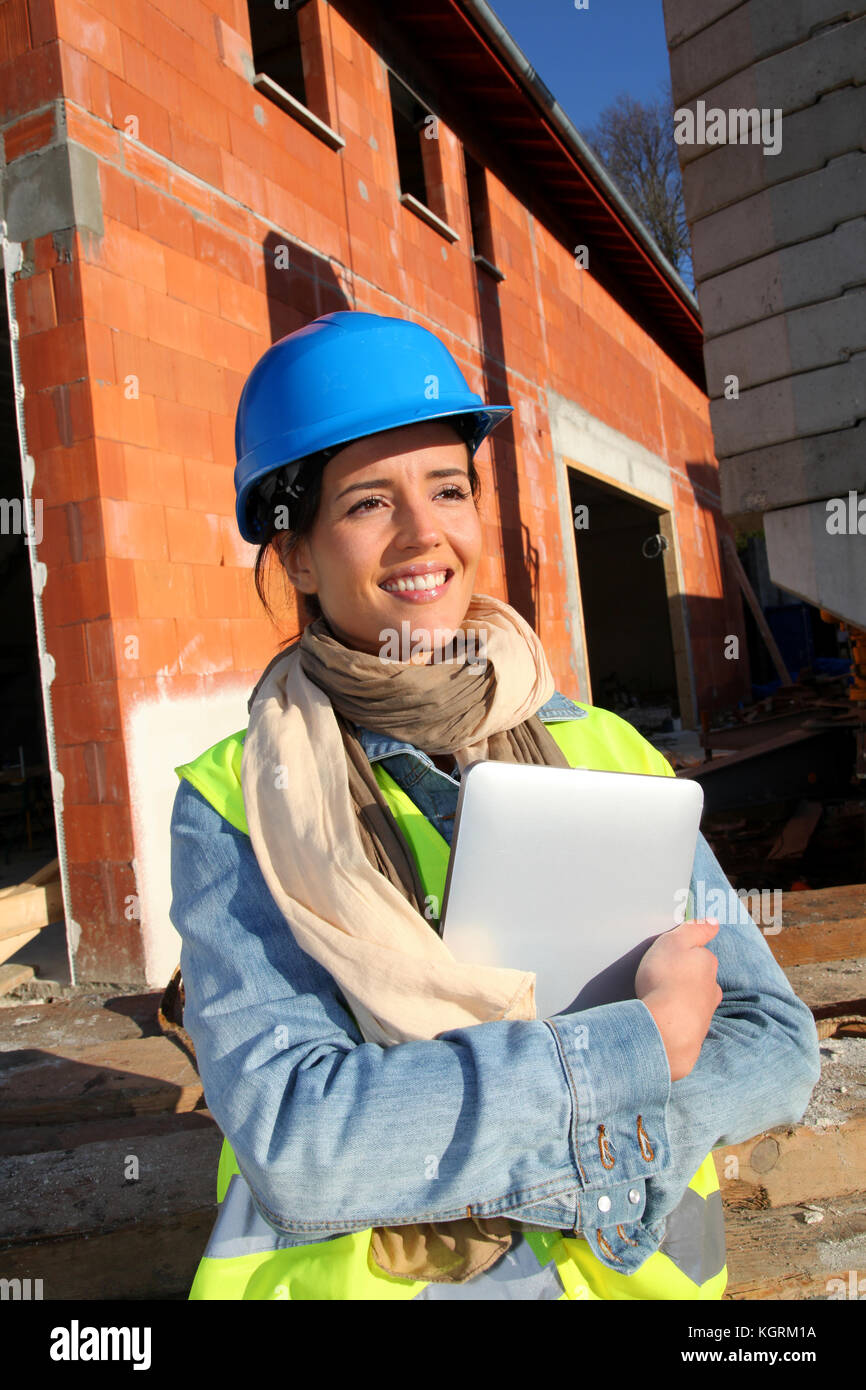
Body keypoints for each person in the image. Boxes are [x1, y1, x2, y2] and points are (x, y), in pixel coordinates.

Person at [168, 310, 820, 1300]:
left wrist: (480, 1143)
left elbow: (772, 1044)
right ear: (296, 555)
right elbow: (301, 1147)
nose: (423, 534)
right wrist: (629, 1056)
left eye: (446, 488)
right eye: (367, 503)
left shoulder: (604, 752)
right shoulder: (236, 801)